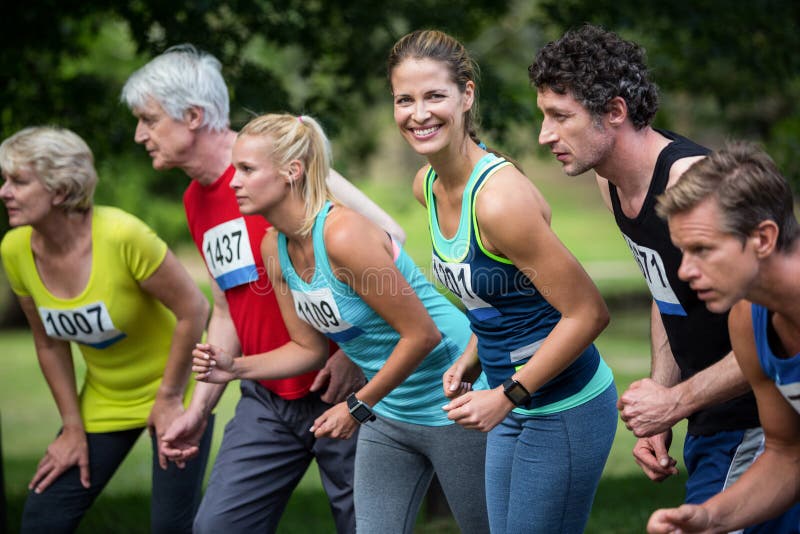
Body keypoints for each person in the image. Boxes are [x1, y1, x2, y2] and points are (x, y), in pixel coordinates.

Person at [121, 44, 406, 533]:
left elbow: (390, 240)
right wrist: (198, 409)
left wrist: (352, 354)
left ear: (192, 116)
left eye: (149, 120)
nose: (139, 135)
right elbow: (226, 310)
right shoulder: (195, 199)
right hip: (267, 398)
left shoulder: (278, 162)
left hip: (342, 389)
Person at [529, 23, 800, 533]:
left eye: (561, 116)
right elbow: (666, 292)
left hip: (750, 419)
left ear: (615, 111)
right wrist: (663, 393)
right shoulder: (612, 186)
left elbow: (772, 327)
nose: (545, 135)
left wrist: (676, 400)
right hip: (719, 422)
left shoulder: (696, 185)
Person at [191, 112, 490, 533]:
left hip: (455, 395)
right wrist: (235, 367)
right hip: (390, 409)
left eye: (247, 170)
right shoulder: (274, 246)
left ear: (292, 171)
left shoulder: (343, 234)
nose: (233, 182)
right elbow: (308, 349)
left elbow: (422, 335)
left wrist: (357, 405)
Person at [387, 30, 618, 533]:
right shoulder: (427, 186)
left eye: (434, 96)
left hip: (562, 407)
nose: (419, 114)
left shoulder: (498, 200)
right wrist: (472, 358)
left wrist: (507, 394)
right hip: (512, 402)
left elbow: (588, 314)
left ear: (466, 96)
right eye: (405, 100)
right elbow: (500, 297)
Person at [0, 126, 211, 533]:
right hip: (104, 397)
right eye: (5, 180)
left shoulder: (122, 235)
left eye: (19, 182)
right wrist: (71, 427)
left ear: (60, 190)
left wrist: (170, 396)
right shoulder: (14, 250)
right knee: (43, 519)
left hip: (177, 390)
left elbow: (195, 310)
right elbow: (49, 343)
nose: (4, 192)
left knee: (172, 527)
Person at [646, 143, 800, 532]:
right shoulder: (748, 319)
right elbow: (787, 454)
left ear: (763, 238)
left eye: (702, 250)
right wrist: (710, 517)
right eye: (682, 252)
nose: (684, 271)